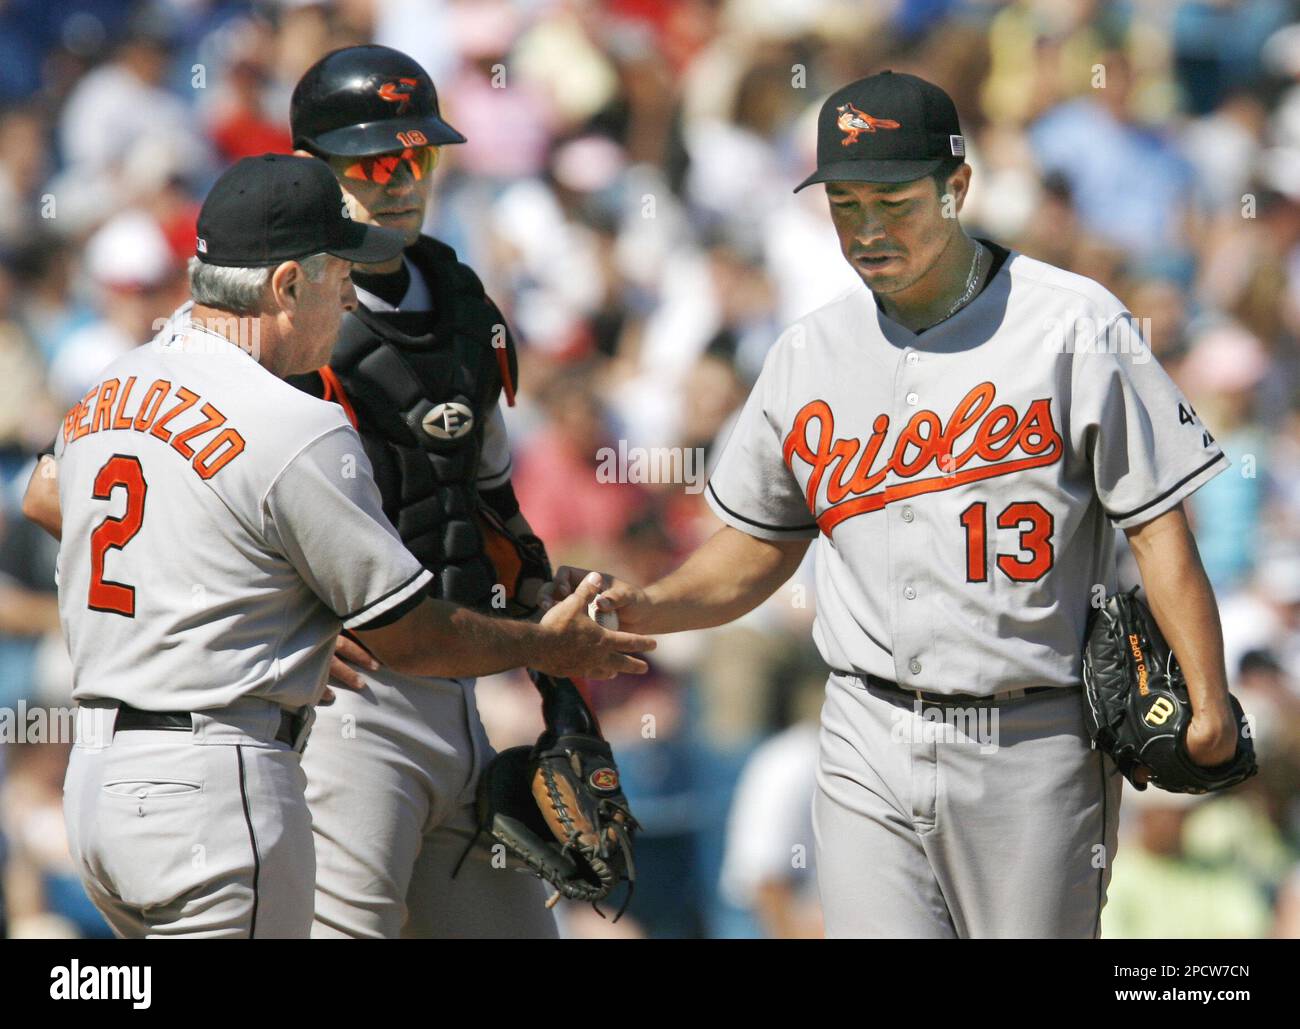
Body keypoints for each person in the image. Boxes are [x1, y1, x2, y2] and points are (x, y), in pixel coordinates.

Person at [546, 71, 1244, 938]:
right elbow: (758, 547)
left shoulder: (1075, 324)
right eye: (845, 203)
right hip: (865, 730)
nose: (867, 228)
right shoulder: (810, 353)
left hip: (1029, 737)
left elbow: (1158, 528)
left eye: (893, 200)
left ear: (956, 188)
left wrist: (1208, 699)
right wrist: (641, 605)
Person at [21, 153, 653, 939]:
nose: (353, 293)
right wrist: (550, 648)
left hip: (97, 786)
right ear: (286, 285)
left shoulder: (110, 386)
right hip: (216, 781)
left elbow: (41, 494)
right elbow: (412, 633)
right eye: (339, 275)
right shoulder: (294, 424)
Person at [284, 44, 578, 938]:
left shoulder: (460, 297)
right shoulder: (270, 303)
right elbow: (68, 488)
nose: (401, 179)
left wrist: (552, 633)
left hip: (462, 694)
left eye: (418, 156)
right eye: (374, 162)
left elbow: (485, 503)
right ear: (311, 170)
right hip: (344, 706)